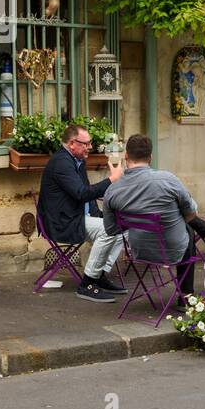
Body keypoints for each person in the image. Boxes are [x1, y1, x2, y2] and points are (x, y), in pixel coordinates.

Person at [36, 122, 124, 303]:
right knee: (109, 230)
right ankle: (88, 283)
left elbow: (86, 194)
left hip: (76, 216)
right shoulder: (62, 163)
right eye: (86, 143)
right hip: (63, 222)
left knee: (124, 227)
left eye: (90, 143)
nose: (90, 147)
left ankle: (99, 274)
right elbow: (82, 193)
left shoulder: (78, 160)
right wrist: (112, 179)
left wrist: (100, 213)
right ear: (72, 144)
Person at [100, 134, 200, 293]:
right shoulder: (168, 180)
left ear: (126, 156)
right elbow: (191, 213)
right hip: (173, 252)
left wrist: (134, 220)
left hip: (139, 251)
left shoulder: (112, 190)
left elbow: (111, 230)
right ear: (151, 157)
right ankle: (186, 295)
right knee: (188, 228)